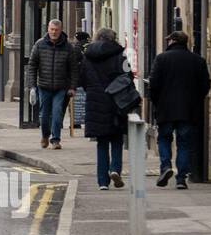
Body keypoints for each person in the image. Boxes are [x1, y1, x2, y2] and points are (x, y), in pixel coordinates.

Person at [148, 30, 211, 189]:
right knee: (184, 143)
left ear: (172, 41)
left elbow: (153, 84)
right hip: (188, 109)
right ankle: (181, 178)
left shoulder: (161, 59)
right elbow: (205, 85)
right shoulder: (198, 60)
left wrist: (157, 102)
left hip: (165, 108)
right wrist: (196, 101)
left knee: (164, 139)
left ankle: (166, 167)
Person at [80, 28, 133, 190]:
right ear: (113, 39)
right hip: (116, 101)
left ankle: (103, 181)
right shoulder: (119, 55)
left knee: (102, 143)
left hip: (96, 102)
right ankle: (115, 169)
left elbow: (83, 79)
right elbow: (128, 76)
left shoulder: (88, 56)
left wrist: (93, 90)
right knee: (116, 139)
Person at [25, 18, 80, 150]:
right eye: (51, 29)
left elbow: (73, 69)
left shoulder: (68, 47)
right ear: (48, 29)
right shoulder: (39, 44)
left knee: (57, 113)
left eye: (56, 30)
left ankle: (55, 140)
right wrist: (32, 86)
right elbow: (32, 66)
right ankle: (45, 135)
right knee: (44, 115)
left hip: (61, 87)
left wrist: (72, 87)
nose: (54, 32)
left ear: (61, 31)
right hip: (43, 86)